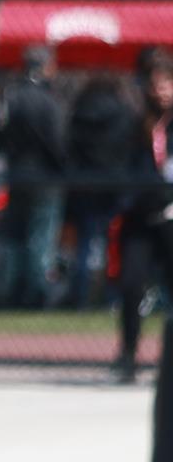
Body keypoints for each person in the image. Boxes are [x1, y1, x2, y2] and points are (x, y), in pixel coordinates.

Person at [0, 45, 70, 309]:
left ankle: (12, 292)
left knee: (16, 235)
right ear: (47, 66)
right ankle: (38, 296)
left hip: (17, 175)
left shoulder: (11, 96)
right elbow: (57, 143)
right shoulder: (49, 100)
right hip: (45, 178)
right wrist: (64, 169)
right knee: (41, 237)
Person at [115, 46, 173, 379]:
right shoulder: (137, 122)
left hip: (170, 215)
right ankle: (127, 354)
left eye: (167, 83)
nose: (161, 90)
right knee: (132, 284)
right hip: (141, 215)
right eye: (156, 84)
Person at [63, 73, 141, 311]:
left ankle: (81, 296)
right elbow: (130, 147)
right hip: (114, 185)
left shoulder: (79, 113)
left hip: (85, 184)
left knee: (85, 244)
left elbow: (69, 148)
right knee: (113, 243)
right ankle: (111, 295)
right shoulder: (124, 112)